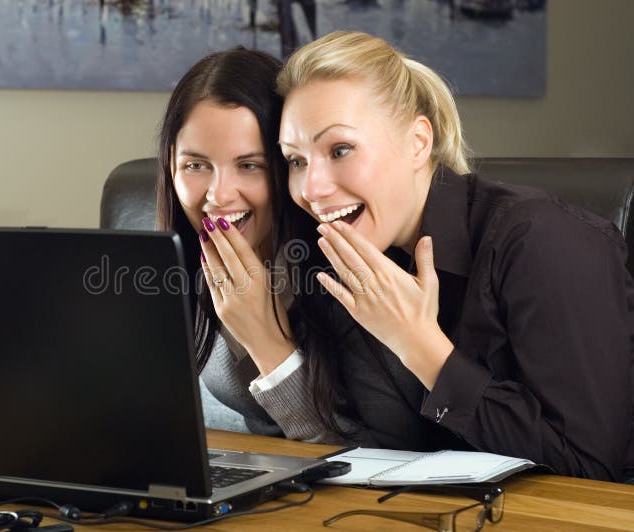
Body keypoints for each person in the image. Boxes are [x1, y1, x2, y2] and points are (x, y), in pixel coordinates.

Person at [272, 30, 634, 482]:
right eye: (296, 160)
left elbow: (588, 470)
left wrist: (420, 346)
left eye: (340, 149)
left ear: (418, 143)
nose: (311, 189)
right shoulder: (359, 262)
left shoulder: (541, 240)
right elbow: (367, 449)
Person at [156, 47, 320, 436]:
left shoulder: (333, 273)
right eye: (196, 165)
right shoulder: (176, 265)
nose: (219, 195)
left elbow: (351, 452)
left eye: (249, 166)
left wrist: (267, 343)